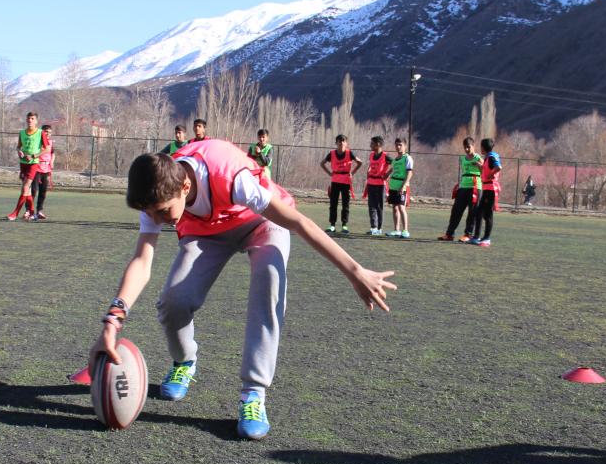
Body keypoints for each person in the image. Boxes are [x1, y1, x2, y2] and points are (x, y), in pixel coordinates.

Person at [89, 139, 396, 440]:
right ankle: (185, 362)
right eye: (152, 213)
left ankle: (253, 394)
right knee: (174, 301)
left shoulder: (228, 175)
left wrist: (355, 272)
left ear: (184, 188)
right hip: (206, 232)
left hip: (261, 222)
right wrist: (112, 322)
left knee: (269, 286)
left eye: (163, 211)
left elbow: (298, 222)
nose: (157, 220)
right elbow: (142, 260)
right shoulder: (157, 188)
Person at [439, 137, 482, 241]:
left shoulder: (478, 158)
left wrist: (480, 165)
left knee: (472, 212)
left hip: (475, 187)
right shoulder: (462, 159)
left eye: (468, 147)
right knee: (456, 211)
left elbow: (485, 171)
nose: (466, 149)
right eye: (465, 147)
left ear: (473, 146)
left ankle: (468, 235)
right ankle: (449, 234)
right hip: (463, 187)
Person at [320, 134, 361, 234]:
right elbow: (322, 163)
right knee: (333, 204)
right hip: (335, 181)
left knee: (345, 204)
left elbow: (360, 162)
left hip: (346, 181)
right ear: (336, 143)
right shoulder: (332, 153)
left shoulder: (350, 153)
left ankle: (344, 226)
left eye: (343, 141)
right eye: (339, 141)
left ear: (346, 143)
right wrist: (329, 173)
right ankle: (332, 225)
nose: (341, 143)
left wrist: (352, 172)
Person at [7, 112, 43, 221]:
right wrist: (19, 152)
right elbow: (18, 147)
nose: (30, 120)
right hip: (23, 164)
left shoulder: (40, 133)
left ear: (36, 121)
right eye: (28, 118)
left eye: (32, 118)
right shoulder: (22, 133)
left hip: (33, 163)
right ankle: (32, 212)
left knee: (25, 187)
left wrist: (33, 156)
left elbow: (45, 149)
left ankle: (15, 213)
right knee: (26, 190)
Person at [467, 137, 502, 247]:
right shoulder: (487, 158)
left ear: (483, 147)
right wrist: (481, 167)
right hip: (486, 188)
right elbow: (488, 170)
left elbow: (498, 167)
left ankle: (487, 239)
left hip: (491, 189)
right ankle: (477, 237)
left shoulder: (491, 157)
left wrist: (492, 173)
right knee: (479, 212)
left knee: (488, 215)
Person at [363, 136, 391, 236]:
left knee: (379, 206)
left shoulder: (385, 156)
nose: (370, 145)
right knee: (371, 206)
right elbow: (371, 165)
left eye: (372, 143)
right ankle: (373, 227)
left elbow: (395, 164)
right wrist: (368, 171)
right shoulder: (371, 155)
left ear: (378, 144)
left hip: (380, 184)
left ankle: (379, 228)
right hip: (371, 183)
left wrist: (387, 174)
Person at [386, 137, 413, 238]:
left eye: (400, 145)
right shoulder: (395, 159)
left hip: (402, 187)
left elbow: (410, 173)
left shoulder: (407, 158)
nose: (398, 147)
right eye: (396, 145)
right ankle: (396, 230)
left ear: (405, 146)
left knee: (402, 208)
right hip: (393, 186)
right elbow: (392, 169)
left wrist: (404, 185)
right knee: (395, 208)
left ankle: (405, 230)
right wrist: (386, 175)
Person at [29, 124, 54, 220]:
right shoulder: (37, 141)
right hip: (37, 167)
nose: (48, 134)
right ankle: (29, 211)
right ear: (42, 132)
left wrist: (52, 161)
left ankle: (39, 211)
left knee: (43, 191)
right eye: (46, 132)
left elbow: (52, 153)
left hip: (46, 169)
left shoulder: (50, 142)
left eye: (50, 132)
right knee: (34, 190)